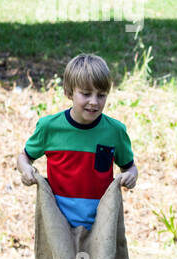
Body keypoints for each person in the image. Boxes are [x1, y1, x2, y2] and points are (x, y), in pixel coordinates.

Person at [16, 53, 137, 228]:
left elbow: (130, 167)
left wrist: (131, 176)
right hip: (57, 224)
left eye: (101, 95)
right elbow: (24, 157)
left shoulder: (115, 131)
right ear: (69, 92)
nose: (94, 102)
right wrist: (26, 170)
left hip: (101, 225)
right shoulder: (49, 127)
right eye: (86, 94)